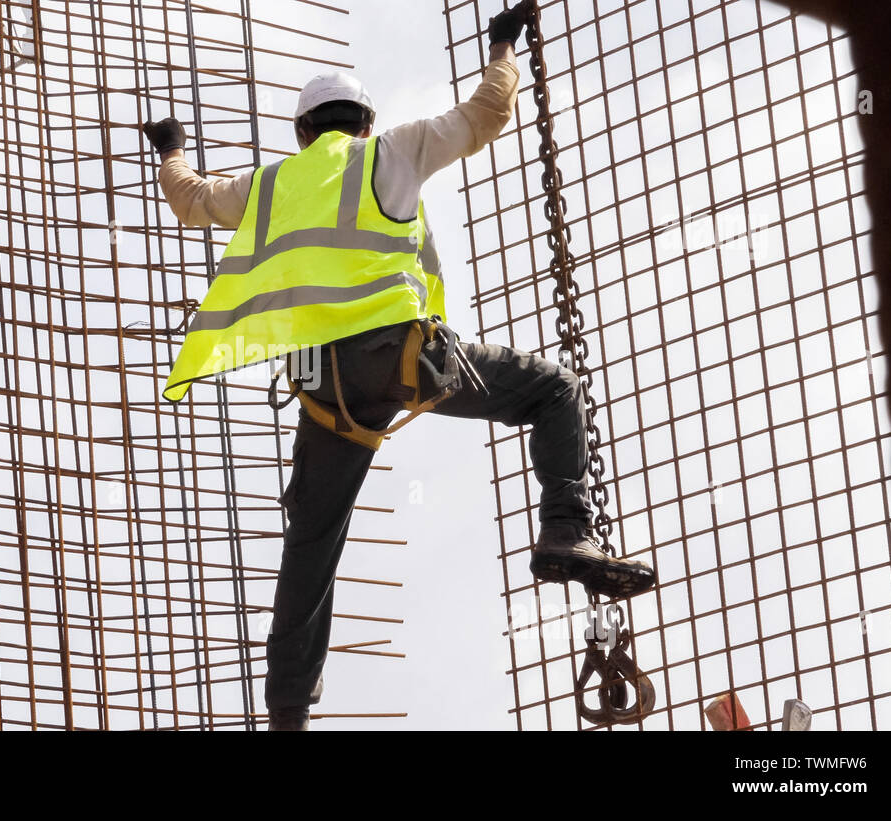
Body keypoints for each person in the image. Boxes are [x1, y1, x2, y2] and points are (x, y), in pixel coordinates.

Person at [142, 0, 655, 731]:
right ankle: (566, 528)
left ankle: (288, 710)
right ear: (364, 123)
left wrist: (170, 147)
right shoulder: (392, 153)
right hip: (401, 360)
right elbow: (486, 112)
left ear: (302, 133)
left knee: (310, 546)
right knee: (554, 389)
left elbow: (190, 200)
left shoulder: (268, 188)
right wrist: (504, 46)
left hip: (326, 388)